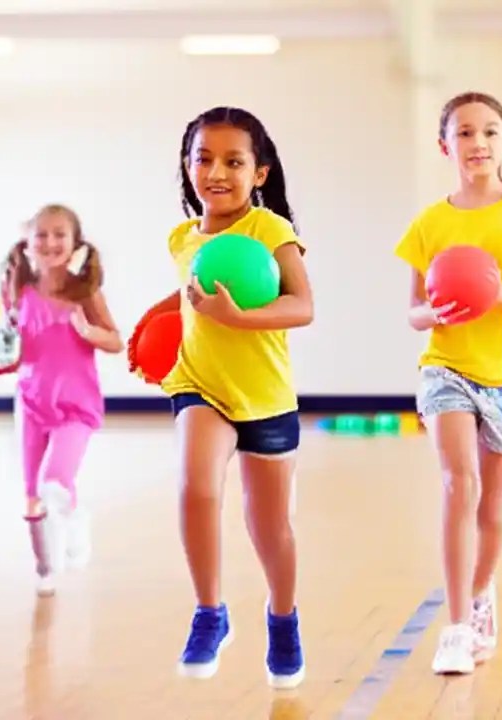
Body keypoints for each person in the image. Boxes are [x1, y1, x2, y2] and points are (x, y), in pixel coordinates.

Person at [127, 106, 312, 688]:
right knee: (196, 486)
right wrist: (158, 321)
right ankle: (210, 611)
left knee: (269, 526)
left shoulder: (271, 232)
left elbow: (301, 306)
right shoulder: (183, 237)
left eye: (234, 161)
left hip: (264, 396)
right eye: (203, 159)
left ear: (258, 173)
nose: (217, 171)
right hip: (198, 384)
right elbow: (193, 298)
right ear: (187, 167)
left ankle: (283, 619)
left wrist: (240, 315)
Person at [393, 91, 502, 674]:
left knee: (491, 501)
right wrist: (435, 314)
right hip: (445, 366)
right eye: (464, 133)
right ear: (445, 145)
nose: (477, 143)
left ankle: (483, 594)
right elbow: (413, 310)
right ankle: (456, 627)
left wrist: (494, 293)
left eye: (489, 132)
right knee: (457, 484)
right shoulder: (431, 222)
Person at [0, 204, 122, 596]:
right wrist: (1, 346)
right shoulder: (17, 287)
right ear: (28, 241)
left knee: (55, 483)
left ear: (74, 243)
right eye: (42, 234)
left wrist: (87, 331)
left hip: (75, 407)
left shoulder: (85, 291)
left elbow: (116, 340)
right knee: (33, 494)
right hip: (31, 404)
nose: (50, 242)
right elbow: (8, 341)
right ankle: (45, 566)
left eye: (59, 234)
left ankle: (74, 522)